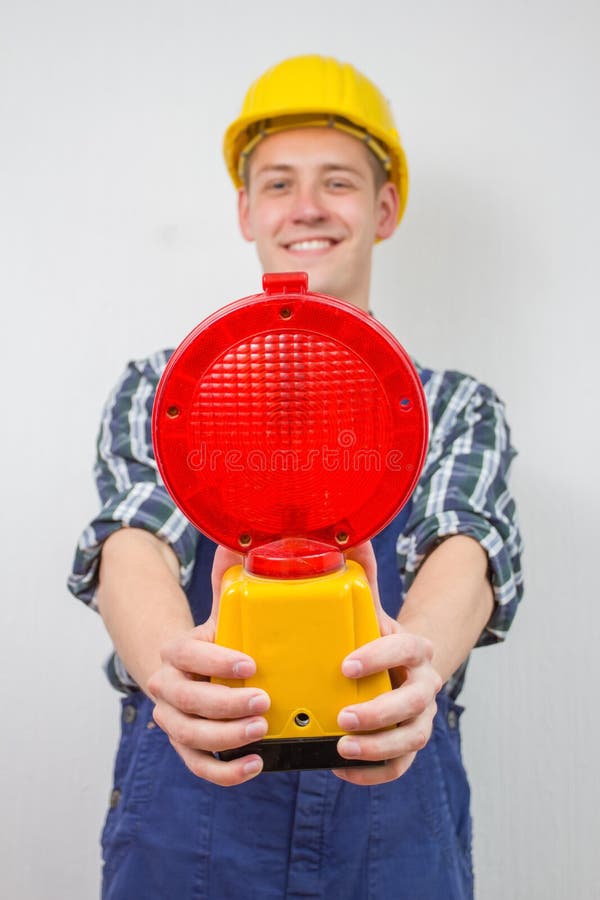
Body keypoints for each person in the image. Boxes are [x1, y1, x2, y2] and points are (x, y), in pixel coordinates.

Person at [68, 55, 523, 900]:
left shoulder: (454, 407)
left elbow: (467, 548)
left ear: (384, 209)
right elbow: (133, 538)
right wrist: (177, 674)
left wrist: (411, 666)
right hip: (189, 806)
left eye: (338, 182)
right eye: (278, 182)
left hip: (389, 798)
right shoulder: (167, 389)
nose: (307, 207)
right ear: (246, 210)